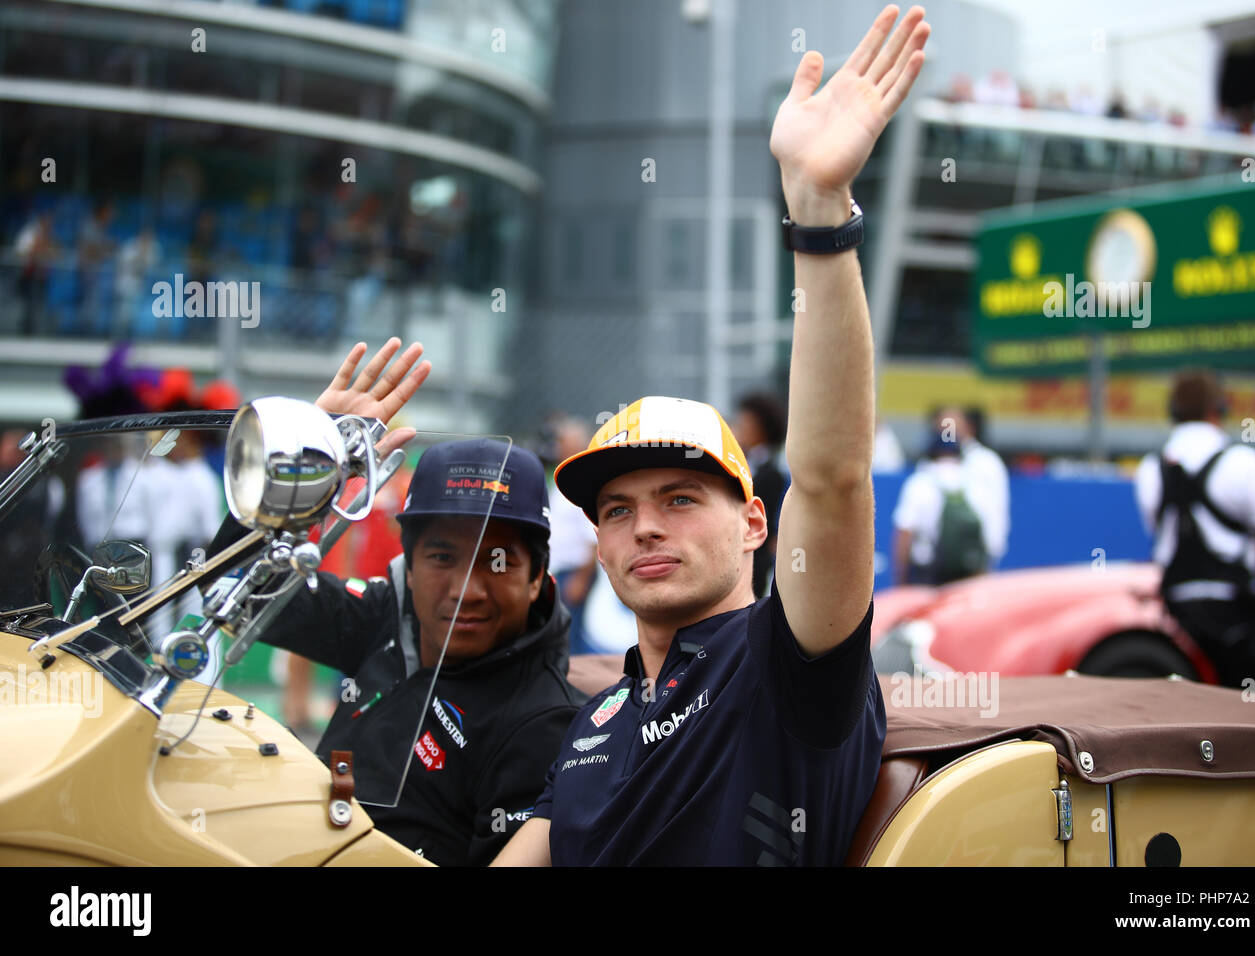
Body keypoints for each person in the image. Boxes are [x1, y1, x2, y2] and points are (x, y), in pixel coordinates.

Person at [492, 4, 929, 866]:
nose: (642, 527)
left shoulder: (786, 660)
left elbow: (835, 476)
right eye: (615, 510)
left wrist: (818, 212)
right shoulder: (596, 721)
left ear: (756, 524)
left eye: (681, 498)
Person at [208, 339, 586, 864]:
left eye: (497, 561)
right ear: (409, 566)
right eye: (441, 557)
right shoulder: (387, 615)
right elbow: (236, 592)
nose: (466, 589)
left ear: (537, 576)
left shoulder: (541, 724)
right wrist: (308, 461)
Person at [1134, 369, 1255, 695]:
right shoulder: (1243, 463)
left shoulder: (1149, 469)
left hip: (1176, 624)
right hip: (1241, 623)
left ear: (1173, 413)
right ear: (1218, 410)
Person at [892, 433, 987, 586]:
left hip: (926, 576)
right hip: (966, 576)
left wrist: (901, 580)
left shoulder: (919, 483)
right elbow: (986, 537)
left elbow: (904, 532)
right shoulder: (975, 485)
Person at [542, 416, 599, 654]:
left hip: (574, 573)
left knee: (572, 636)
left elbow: (593, 537)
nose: (558, 446)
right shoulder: (560, 480)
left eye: (563, 441)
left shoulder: (580, 483)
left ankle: (580, 681)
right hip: (560, 572)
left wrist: (582, 578)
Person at [935, 404, 1009, 568]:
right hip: (940, 557)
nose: (947, 432)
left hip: (978, 553)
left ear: (968, 427)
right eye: (943, 428)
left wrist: (992, 548)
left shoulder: (986, 461)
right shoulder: (932, 465)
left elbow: (996, 508)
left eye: (951, 426)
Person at [732, 392, 789, 597]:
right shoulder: (742, 462)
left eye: (745, 423)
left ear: (761, 427)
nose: (738, 429)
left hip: (757, 557)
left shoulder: (771, 472)